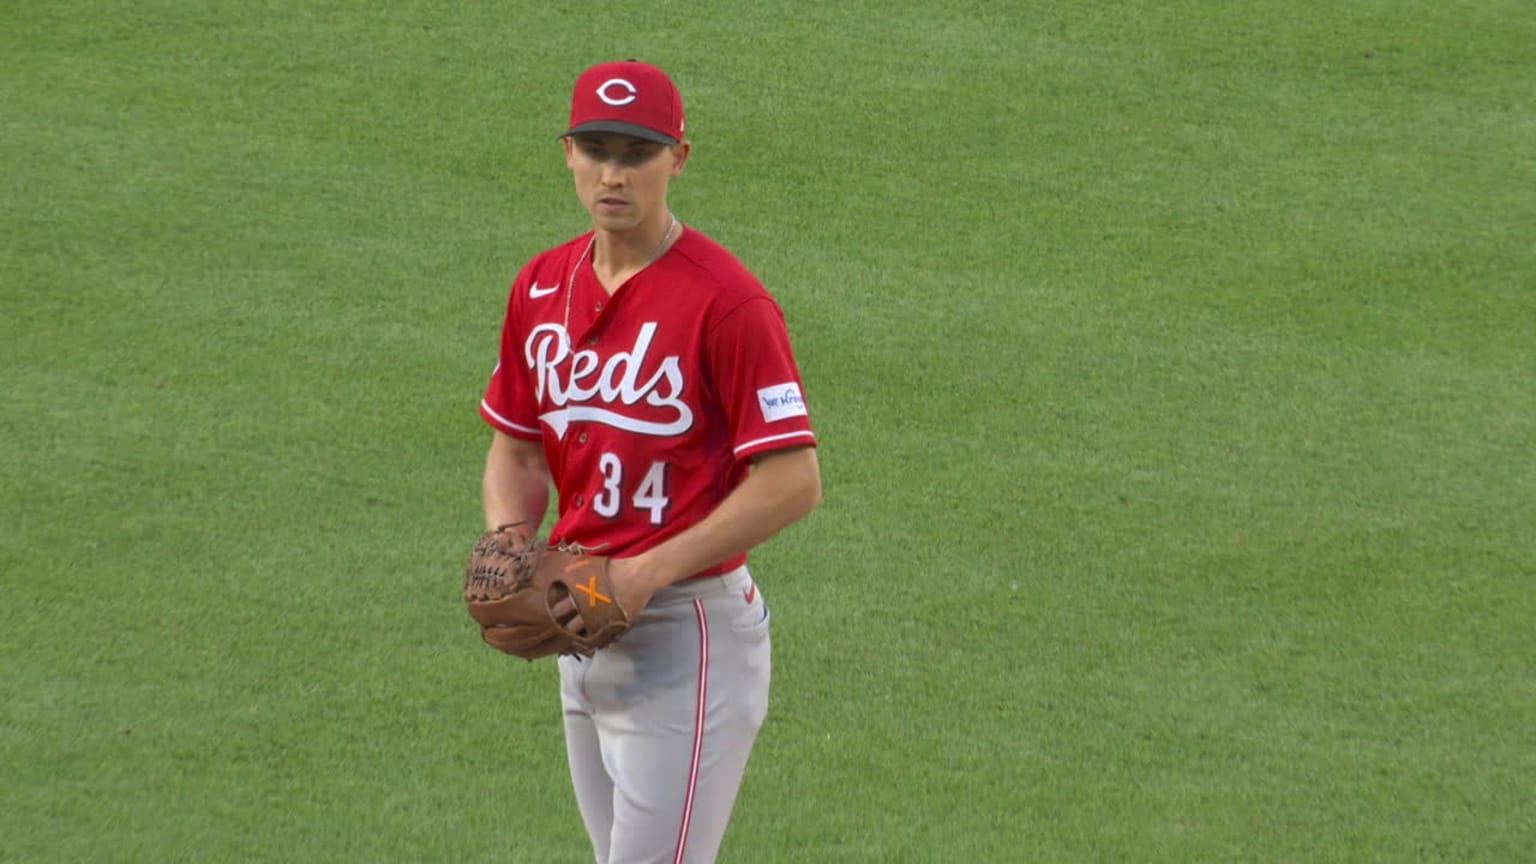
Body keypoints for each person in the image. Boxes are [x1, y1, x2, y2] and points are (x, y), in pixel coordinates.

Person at [476, 59, 822, 864]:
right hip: (576, 616)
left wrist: (642, 575)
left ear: (678, 158)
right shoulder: (539, 287)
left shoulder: (727, 301)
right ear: (567, 152)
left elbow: (794, 479)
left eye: (636, 152)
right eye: (596, 148)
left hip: (687, 636)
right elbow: (517, 446)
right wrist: (508, 538)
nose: (613, 172)